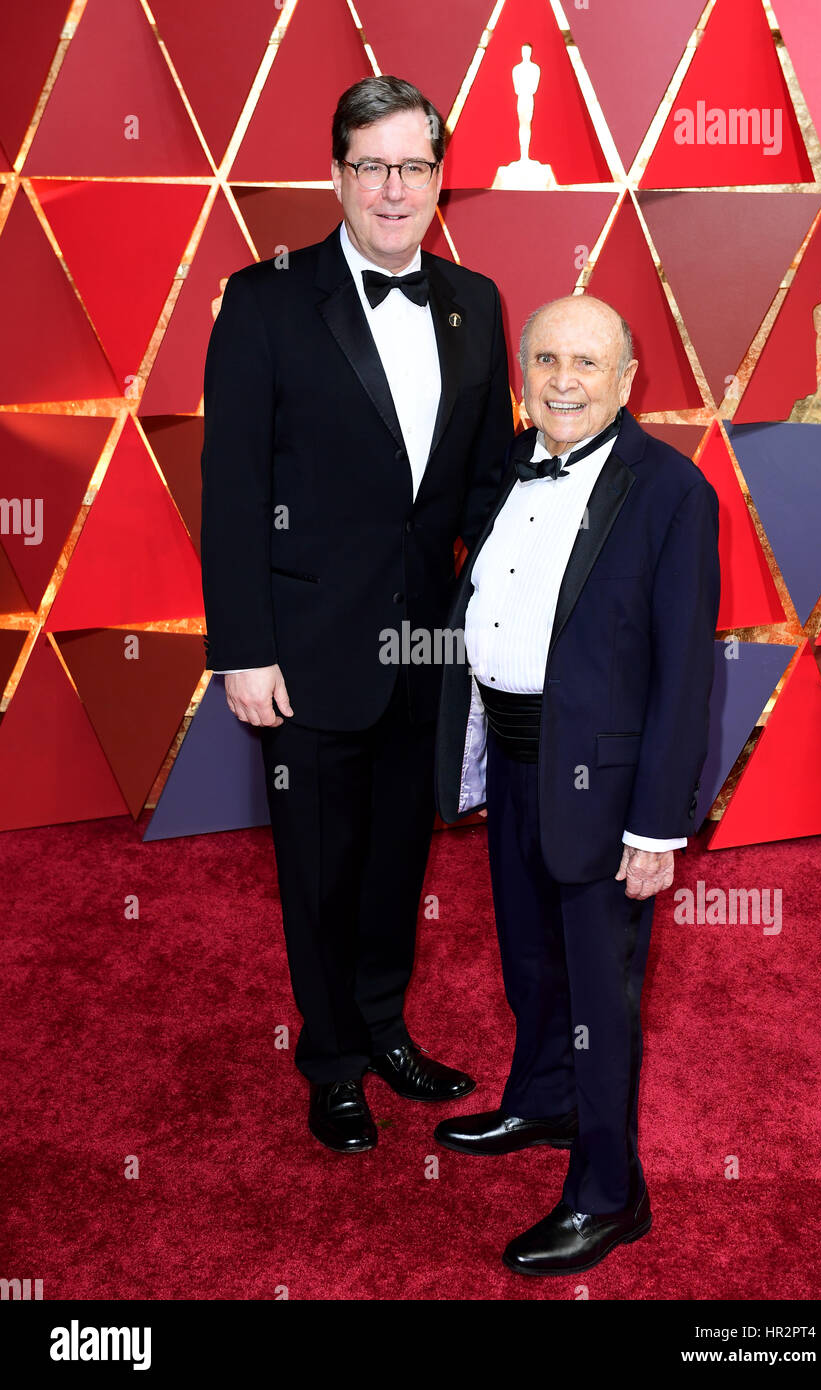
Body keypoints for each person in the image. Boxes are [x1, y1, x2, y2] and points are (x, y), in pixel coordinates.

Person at [200, 76, 514, 1155]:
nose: (392, 189)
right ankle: (330, 1059)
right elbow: (233, 491)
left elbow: (481, 489)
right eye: (371, 166)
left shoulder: (477, 303)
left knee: (395, 862)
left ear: (438, 178)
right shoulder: (263, 300)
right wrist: (242, 650)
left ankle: (382, 1025)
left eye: (413, 167)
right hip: (304, 651)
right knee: (318, 868)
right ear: (335, 175)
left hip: (426, 647)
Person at [434, 294, 720, 1275]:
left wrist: (655, 826)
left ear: (626, 379)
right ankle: (544, 1098)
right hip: (514, 763)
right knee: (528, 960)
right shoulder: (514, 464)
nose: (562, 379)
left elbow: (687, 671)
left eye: (585, 363)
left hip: (605, 784)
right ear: (523, 371)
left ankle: (608, 1193)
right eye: (545, 358)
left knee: (600, 990)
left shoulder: (670, 492)